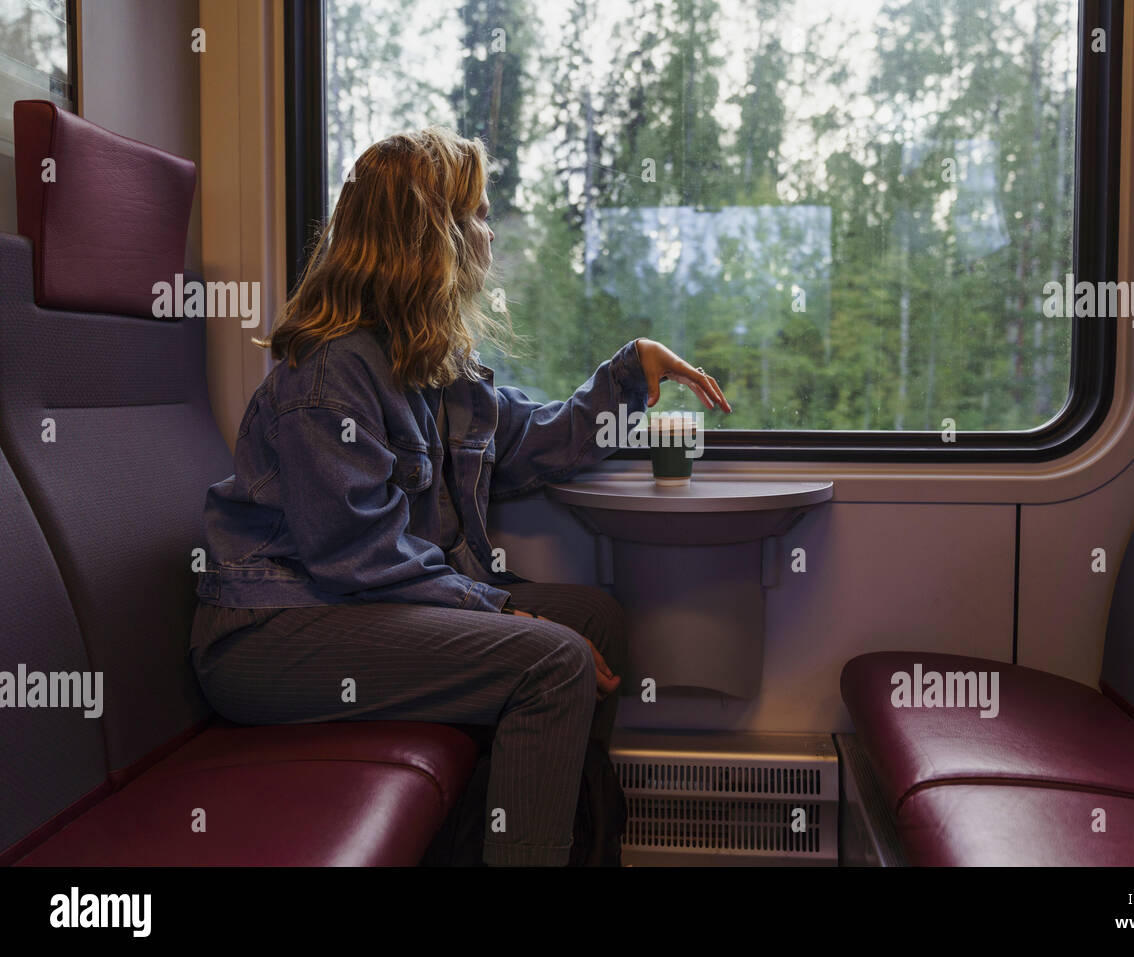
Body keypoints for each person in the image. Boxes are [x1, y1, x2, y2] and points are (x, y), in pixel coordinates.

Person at [188, 125, 730, 867]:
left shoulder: (432, 366)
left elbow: (533, 440)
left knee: (594, 620)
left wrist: (629, 374)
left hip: (353, 606)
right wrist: (504, 609)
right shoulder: (331, 374)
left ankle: (532, 840)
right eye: (475, 214)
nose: (489, 232)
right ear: (427, 238)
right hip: (273, 630)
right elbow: (359, 555)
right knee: (557, 661)